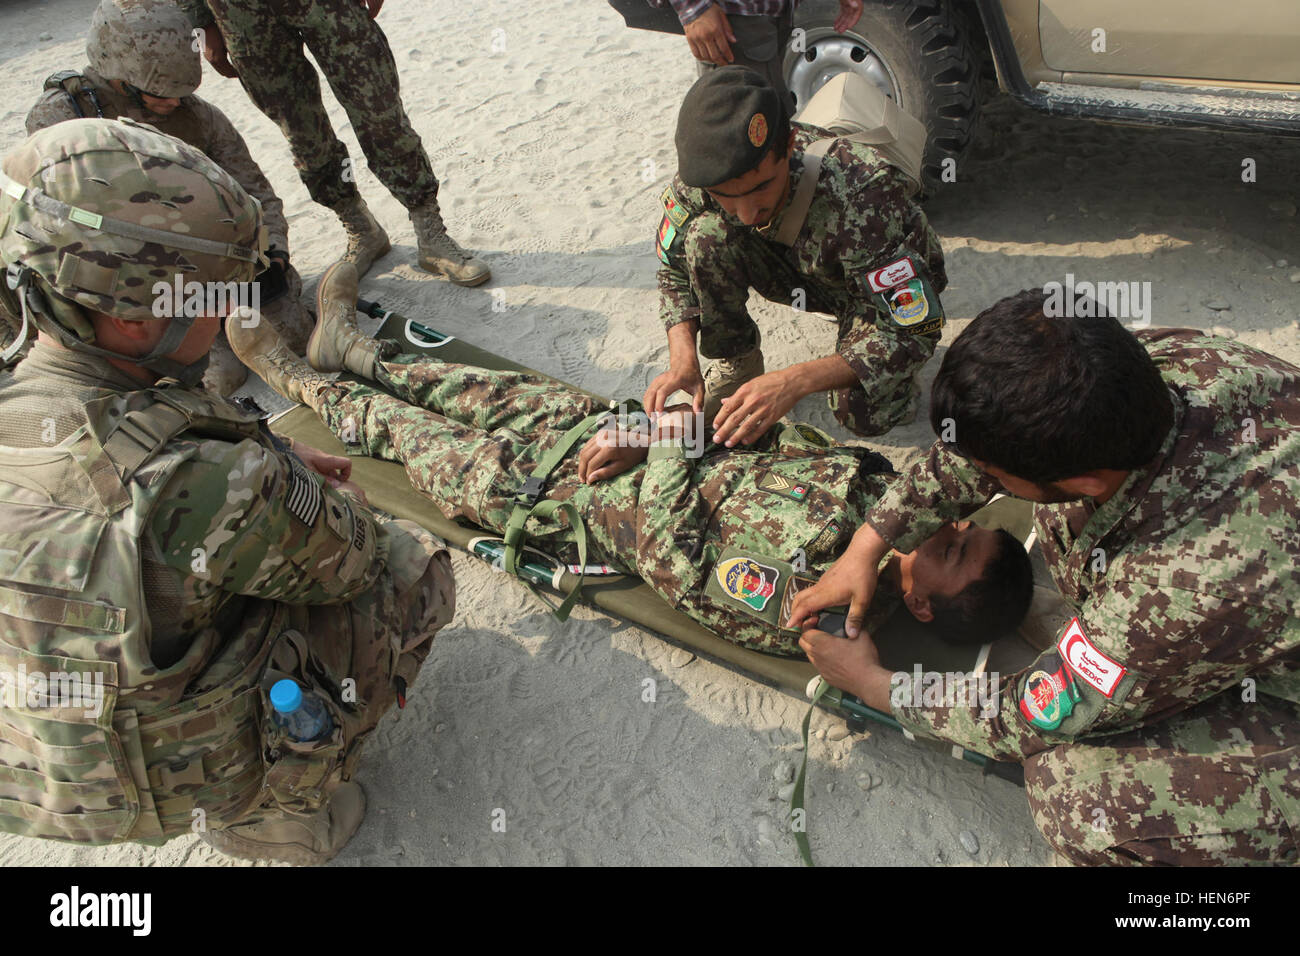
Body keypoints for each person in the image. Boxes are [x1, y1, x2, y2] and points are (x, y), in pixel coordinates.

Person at [0, 117, 455, 864]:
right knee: (410, 572)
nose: (226, 315)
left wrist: (260, 455)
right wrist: (274, 481)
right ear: (125, 314)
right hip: (138, 770)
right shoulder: (196, 479)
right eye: (210, 297)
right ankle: (269, 816)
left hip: (27, 760)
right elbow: (353, 555)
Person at [227, 261, 1032, 657]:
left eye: (954, 551)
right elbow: (777, 438)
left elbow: (673, 559)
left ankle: (296, 378)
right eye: (964, 528)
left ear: (925, 607)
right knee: (467, 382)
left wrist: (671, 442)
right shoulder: (888, 495)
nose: (948, 526)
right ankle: (351, 348)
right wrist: (661, 429)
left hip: (552, 493)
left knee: (403, 435)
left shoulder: (818, 611)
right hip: (620, 440)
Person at [787, 289, 1300, 865]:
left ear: (1086, 479)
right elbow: (981, 443)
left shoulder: (1182, 580)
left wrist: (874, 684)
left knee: (1075, 793)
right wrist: (868, 543)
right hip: (1243, 604)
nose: (969, 501)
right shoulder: (1155, 367)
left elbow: (1029, 715)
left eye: (992, 476)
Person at [21, 0, 315, 396]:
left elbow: (256, 192)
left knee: (294, 338)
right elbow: (48, 227)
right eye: (158, 93)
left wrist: (274, 254)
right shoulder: (62, 122)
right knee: (212, 379)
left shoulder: (199, 116)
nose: (174, 102)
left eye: (181, 92)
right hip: (122, 283)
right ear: (119, 75)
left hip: (207, 275)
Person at [644, 66, 947, 444]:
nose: (747, 213)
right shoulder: (703, 178)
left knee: (864, 413)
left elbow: (916, 328)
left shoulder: (865, 194)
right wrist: (682, 356)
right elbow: (673, 269)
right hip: (798, 268)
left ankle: (898, 385)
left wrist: (793, 382)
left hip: (866, 288)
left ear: (789, 146)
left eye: (762, 187)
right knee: (705, 237)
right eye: (727, 197)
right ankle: (739, 361)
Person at [178, 0, 489, 285]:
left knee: (378, 109)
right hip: (242, 13)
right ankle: (361, 227)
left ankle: (430, 232)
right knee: (302, 133)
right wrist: (201, 22)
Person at [647, 0, 864, 111]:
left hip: (775, 14)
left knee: (777, 132)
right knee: (740, 146)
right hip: (730, 22)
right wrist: (693, 8)